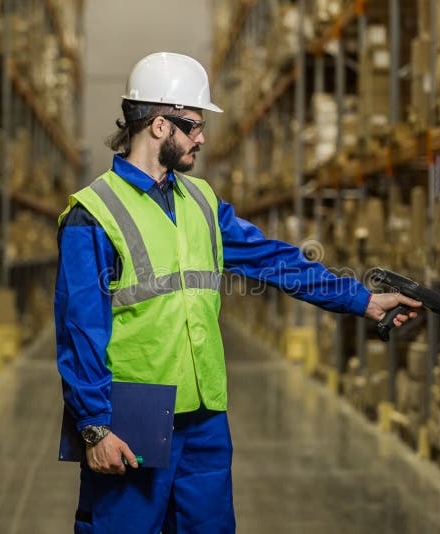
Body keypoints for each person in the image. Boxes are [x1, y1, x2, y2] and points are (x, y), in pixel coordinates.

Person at [54, 52, 421, 534]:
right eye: (194, 126)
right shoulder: (94, 212)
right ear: (159, 126)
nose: (202, 138)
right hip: (133, 415)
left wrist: (361, 299)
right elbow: (81, 327)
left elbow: (275, 260)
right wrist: (94, 425)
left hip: (204, 418)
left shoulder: (201, 202)